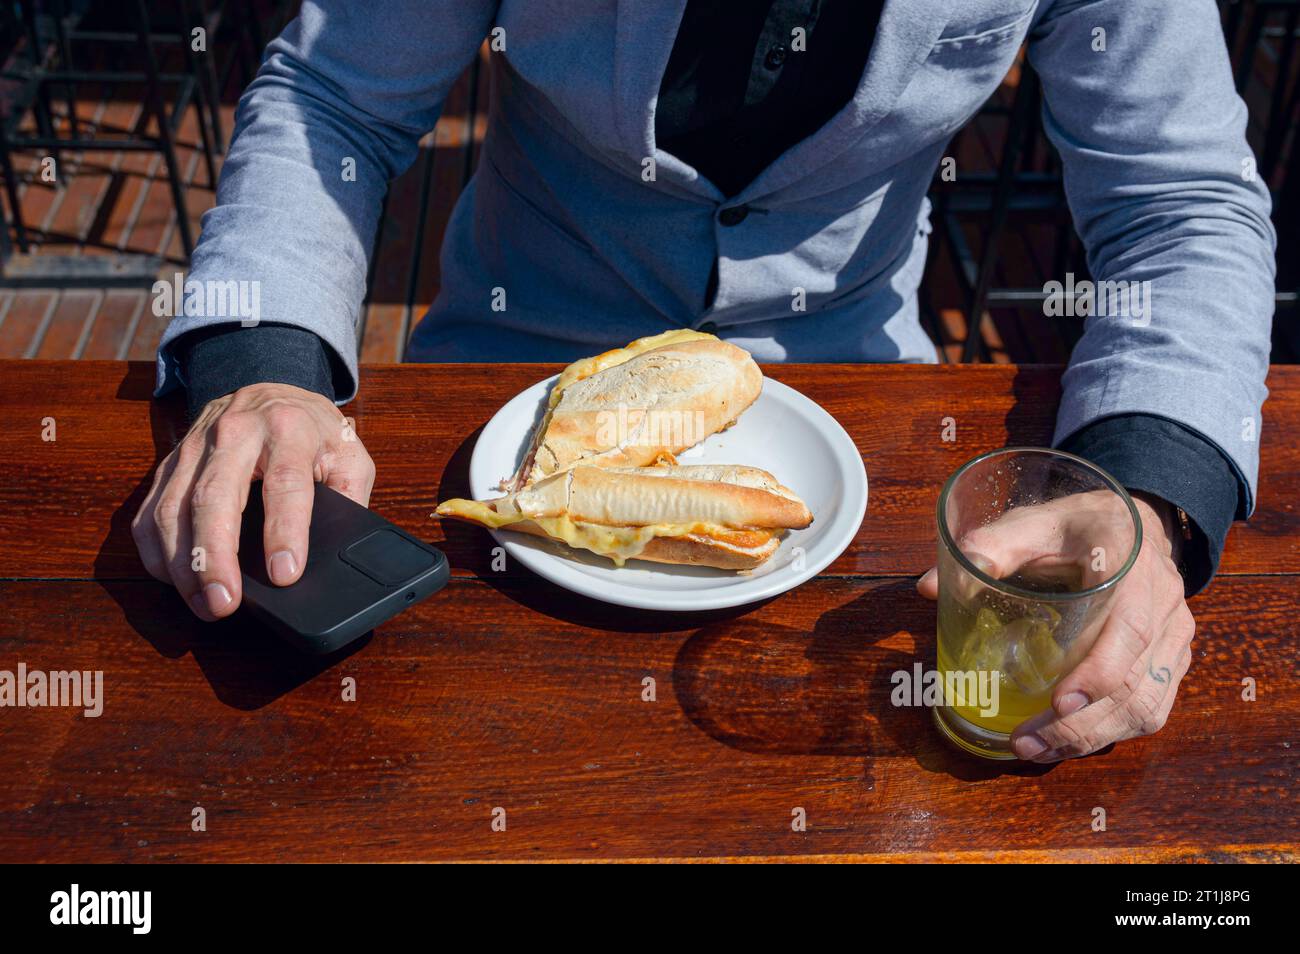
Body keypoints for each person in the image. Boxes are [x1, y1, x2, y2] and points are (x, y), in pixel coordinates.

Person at [132, 1, 1275, 762]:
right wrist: (264, 366)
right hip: (500, 404)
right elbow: (336, 96)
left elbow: (1177, 203)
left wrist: (1149, 491)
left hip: (868, 444)